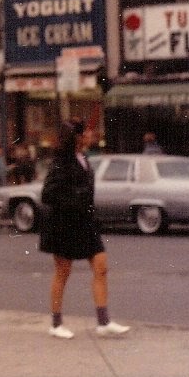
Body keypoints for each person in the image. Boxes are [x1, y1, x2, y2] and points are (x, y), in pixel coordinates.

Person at [39, 120, 129, 340]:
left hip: (85, 221)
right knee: (63, 272)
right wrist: (76, 198)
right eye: (86, 132)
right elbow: (47, 194)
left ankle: (103, 321)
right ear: (76, 137)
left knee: (101, 266)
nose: (90, 135)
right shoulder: (61, 161)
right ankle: (56, 324)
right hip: (64, 223)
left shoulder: (84, 158)